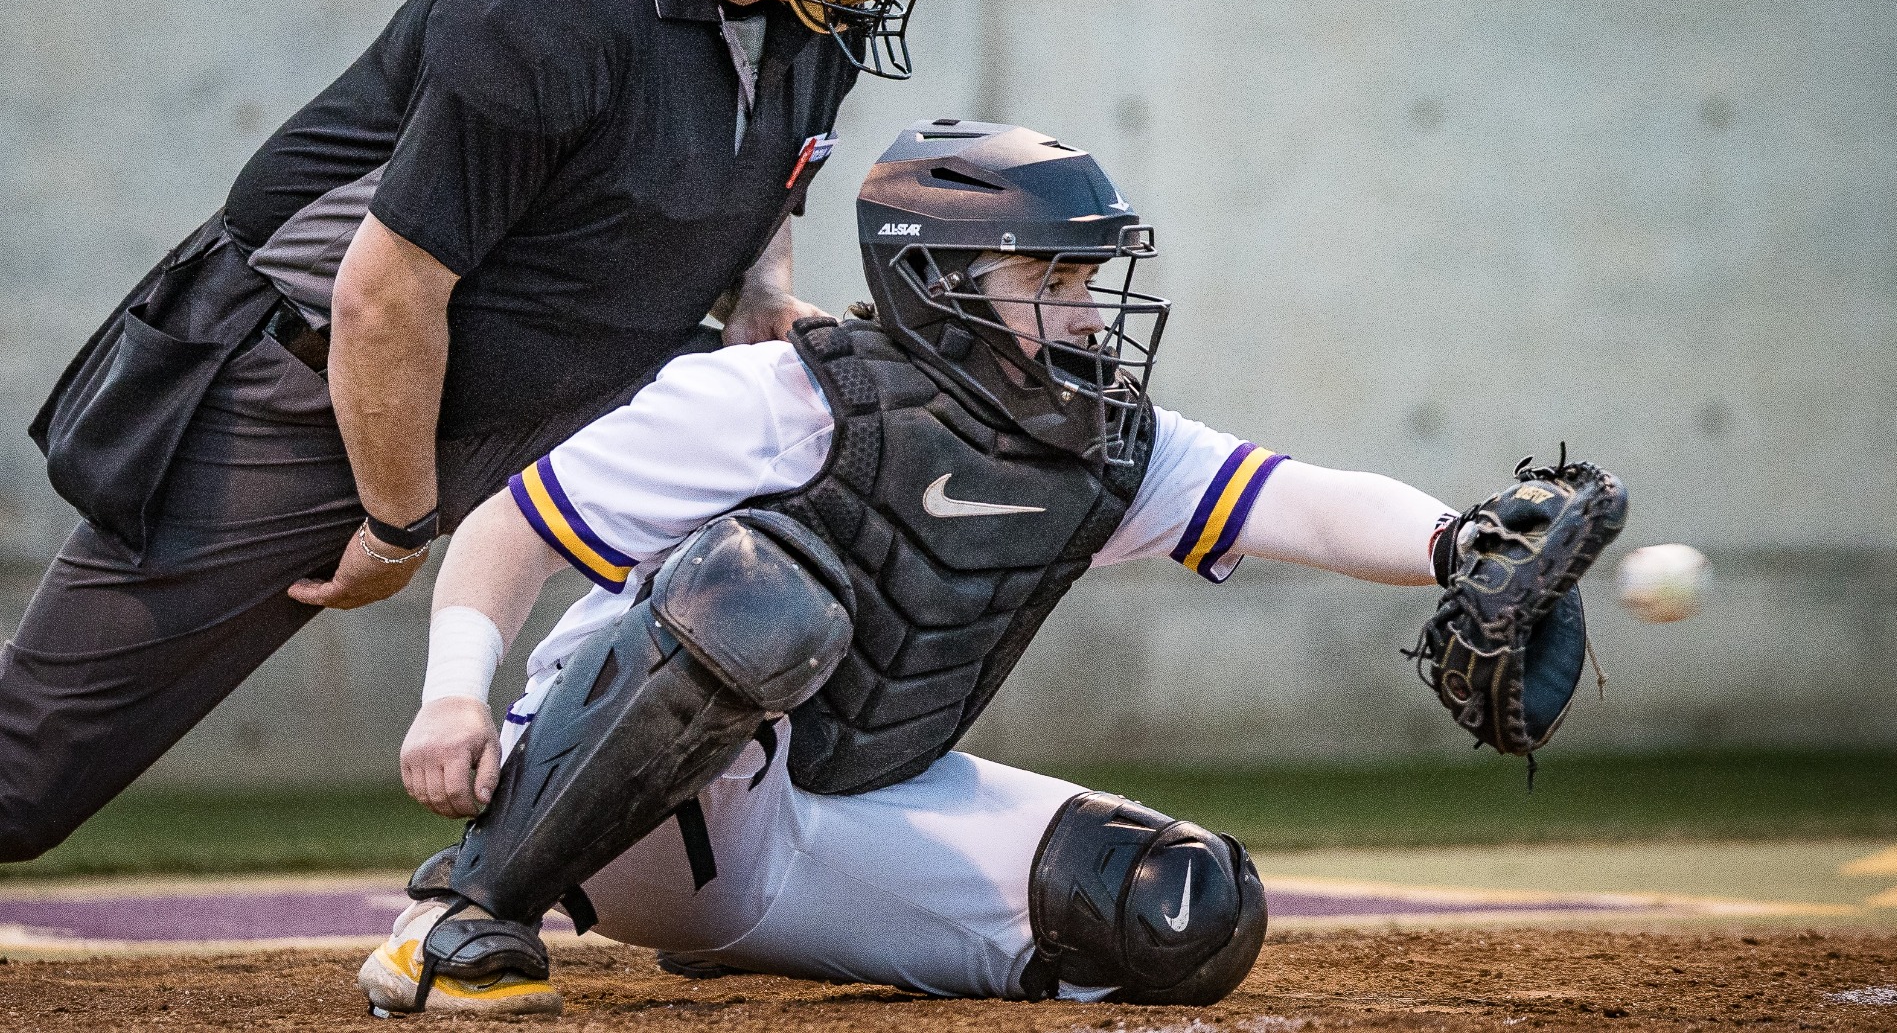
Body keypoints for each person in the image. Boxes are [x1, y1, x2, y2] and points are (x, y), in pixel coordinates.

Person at [356, 121, 1619, 1015]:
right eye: (1050, 276)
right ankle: (462, 915)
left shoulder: (1103, 446)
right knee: (760, 592)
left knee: (1185, 912)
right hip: (617, 817)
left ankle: (774, 947)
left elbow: (1302, 501)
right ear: (939, 279)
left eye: (1089, 276)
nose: (1083, 306)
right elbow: (512, 522)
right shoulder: (774, 398)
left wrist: (1457, 544)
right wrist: (455, 694)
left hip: (837, 808)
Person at [0, 0, 937, 864]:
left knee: (857, 436)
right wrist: (398, 522)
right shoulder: (545, 4)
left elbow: (771, 167)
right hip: (319, 385)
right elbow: (383, 298)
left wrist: (763, 292)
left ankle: (723, 864)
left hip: (573, 362)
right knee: (21, 784)